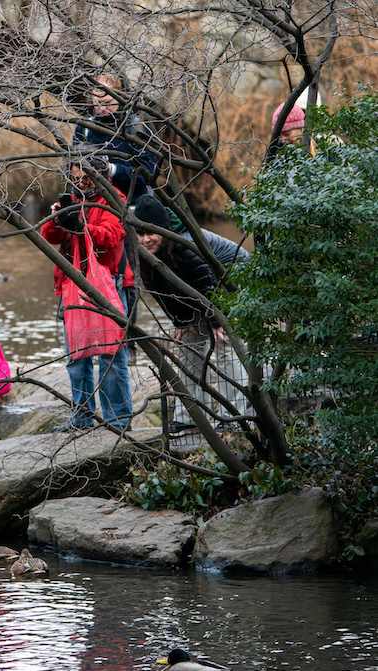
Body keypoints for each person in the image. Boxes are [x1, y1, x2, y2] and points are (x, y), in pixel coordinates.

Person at [134, 195, 250, 431]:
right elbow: (160, 291)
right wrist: (181, 320)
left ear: (163, 229)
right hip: (204, 290)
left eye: (151, 233)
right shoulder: (145, 253)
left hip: (233, 279)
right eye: (140, 234)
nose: (146, 239)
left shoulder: (184, 245)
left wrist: (217, 322)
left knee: (225, 346)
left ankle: (236, 416)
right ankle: (191, 418)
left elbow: (206, 284)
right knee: (189, 348)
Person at [41, 158, 133, 430]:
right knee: (76, 356)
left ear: (100, 175)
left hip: (107, 282)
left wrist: (82, 226)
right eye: (76, 178)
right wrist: (59, 219)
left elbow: (112, 236)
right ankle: (82, 417)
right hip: (72, 283)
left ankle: (118, 420)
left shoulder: (113, 198)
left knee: (111, 355)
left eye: (86, 178)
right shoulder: (71, 198)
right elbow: (50, 236)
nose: (81, 183)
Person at [72, 73, 159, 203]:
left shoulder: (135, 128)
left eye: (107, 103)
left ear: (119, 98)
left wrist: (112, 169)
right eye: (98, 103)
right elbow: (74, 172)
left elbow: (148, 175)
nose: (102, 108)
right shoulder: (85, 128)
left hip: (132, 203)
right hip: (95, 204)